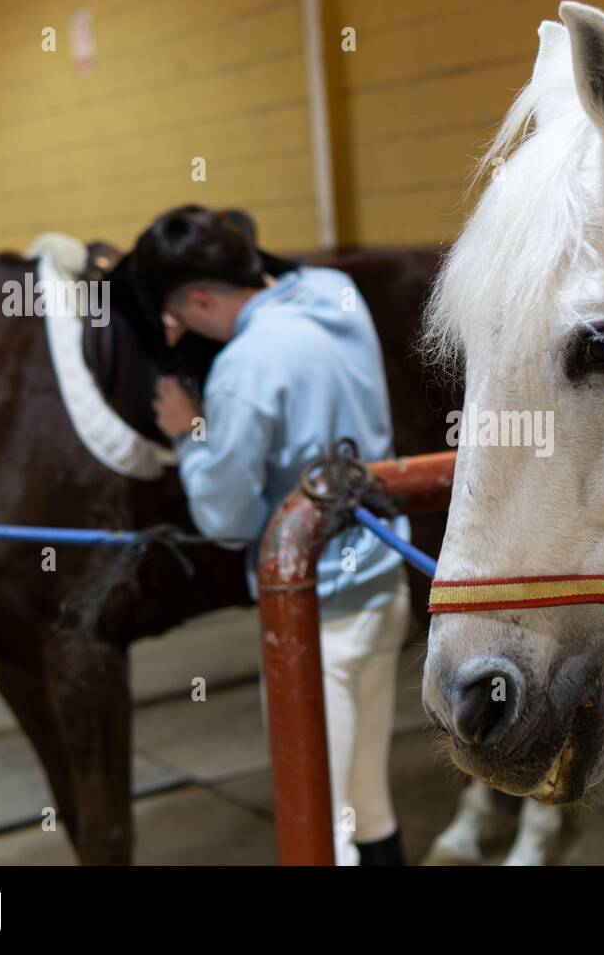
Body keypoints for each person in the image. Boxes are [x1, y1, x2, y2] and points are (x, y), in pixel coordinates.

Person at [130, 205, 412, 866]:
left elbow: (225, 520)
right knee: (366, 798)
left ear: (200, 298)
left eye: (183, 314)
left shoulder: (245, 365)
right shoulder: (334, 295)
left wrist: (188, 431)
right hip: (383, 586)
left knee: (320, 820)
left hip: (317, 613)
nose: (181, 330)